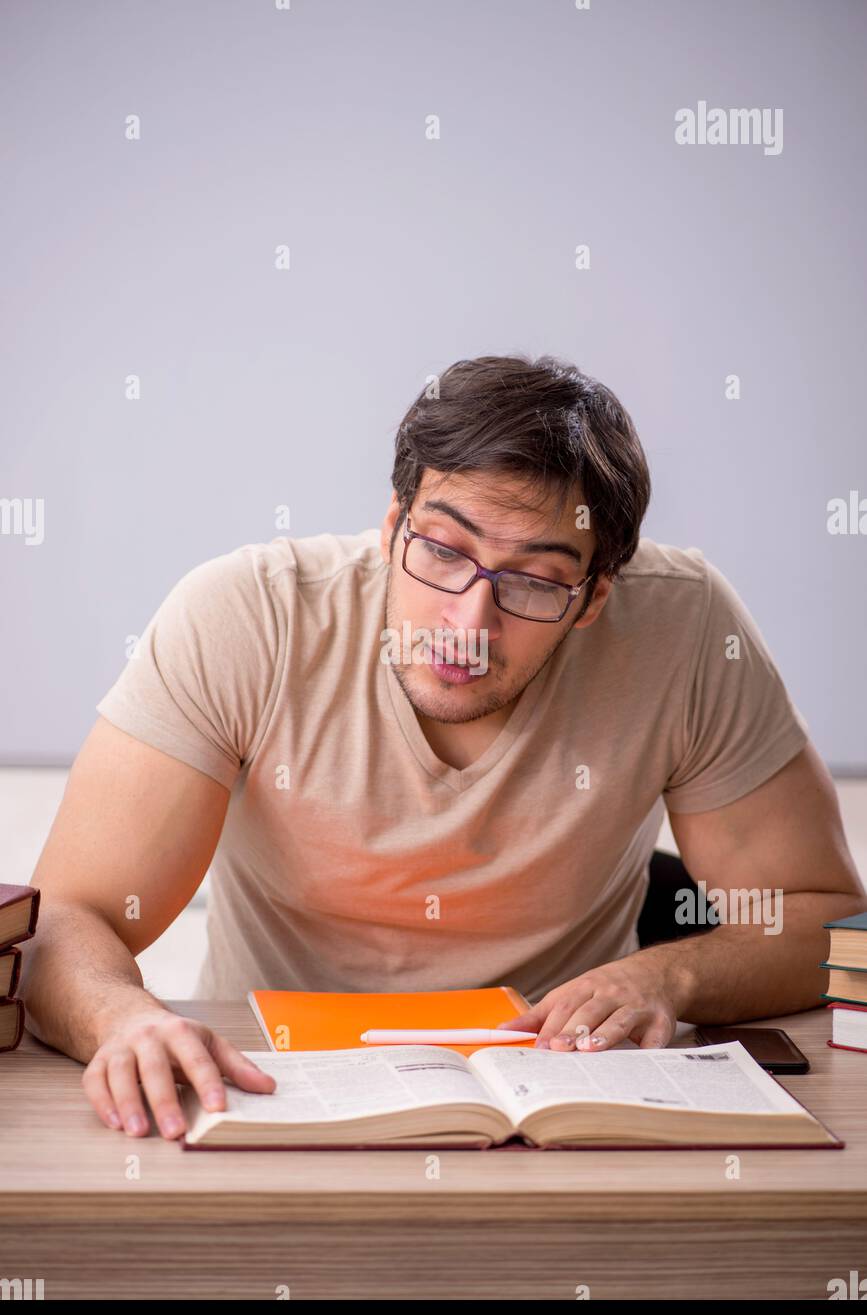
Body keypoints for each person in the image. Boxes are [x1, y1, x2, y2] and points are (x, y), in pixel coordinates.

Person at [21, 354, 867, 1142]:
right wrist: (123, 1018)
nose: (469, 624)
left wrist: (667, 977)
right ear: (392, 527)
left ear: (595, 595)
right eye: (441, 550)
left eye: (534, 580)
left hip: (563, 1093)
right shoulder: (248, 616)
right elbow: (63, 919)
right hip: (275, 1081)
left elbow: (820, 919)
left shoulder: (684, 627)